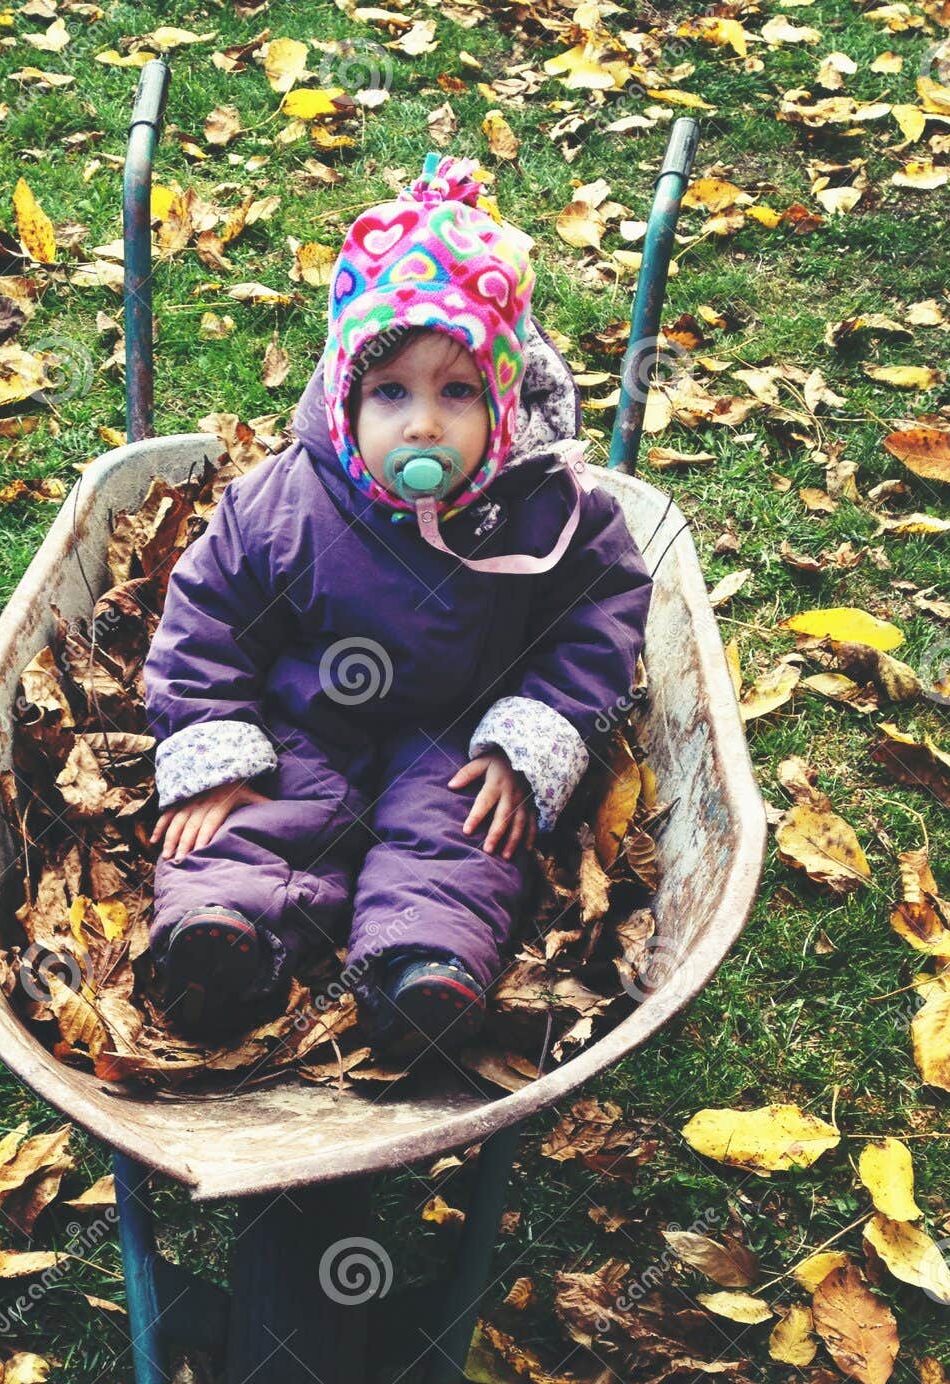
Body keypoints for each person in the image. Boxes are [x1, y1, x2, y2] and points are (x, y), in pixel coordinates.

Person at [142, 153, 653, 1056]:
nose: (422, 425)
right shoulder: (288, 500)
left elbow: (599, 614)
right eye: (391, 393)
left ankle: (420, 974)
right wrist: (215, 741)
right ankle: (226, 942)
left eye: (457, 392)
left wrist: (534, 730)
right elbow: (206, 621)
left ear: (504, 402)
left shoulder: (542, 509)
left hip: (462, 733)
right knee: (258, 813)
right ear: (346, 396)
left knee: (463, 834)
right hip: (307, 717)